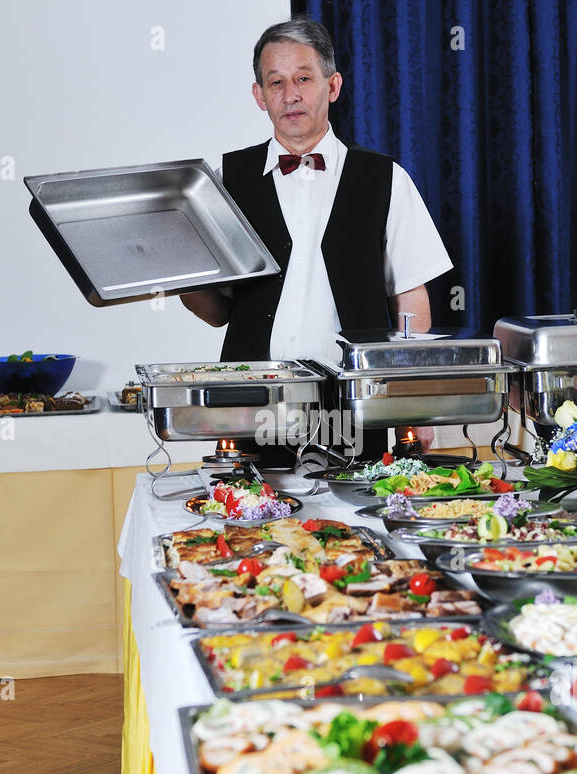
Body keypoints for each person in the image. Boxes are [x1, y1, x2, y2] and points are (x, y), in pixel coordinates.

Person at [181, 16, 452, 461]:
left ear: (333, 85)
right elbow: (215, 313)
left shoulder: (385, 178)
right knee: (250, 508)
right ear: (259, 96)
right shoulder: (224, 181)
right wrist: (176, 269)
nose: (290, 94)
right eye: (276, 82)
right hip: (251, 408)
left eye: (304, 78)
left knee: (355, 506)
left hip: (354, 406)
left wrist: (414, 401)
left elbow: (410, 299)